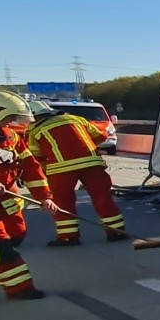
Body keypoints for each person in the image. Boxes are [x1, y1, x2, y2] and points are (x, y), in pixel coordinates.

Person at [26, 102, 127, 246]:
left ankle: (68, 237)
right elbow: (100, 136)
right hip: (92, 164)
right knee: (102, 197)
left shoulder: (35, 130)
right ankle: (116, 232)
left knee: (63, 201)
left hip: (61, 169)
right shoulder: (76, 119)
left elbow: (36, 154)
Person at [0, 93, 59, 300]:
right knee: (3, 248)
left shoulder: (11, 137)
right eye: (10, 117)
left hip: (5, 200)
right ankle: (20, 289)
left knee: (17, 234)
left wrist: (45, 196)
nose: (12, 123)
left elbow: (31, 167)